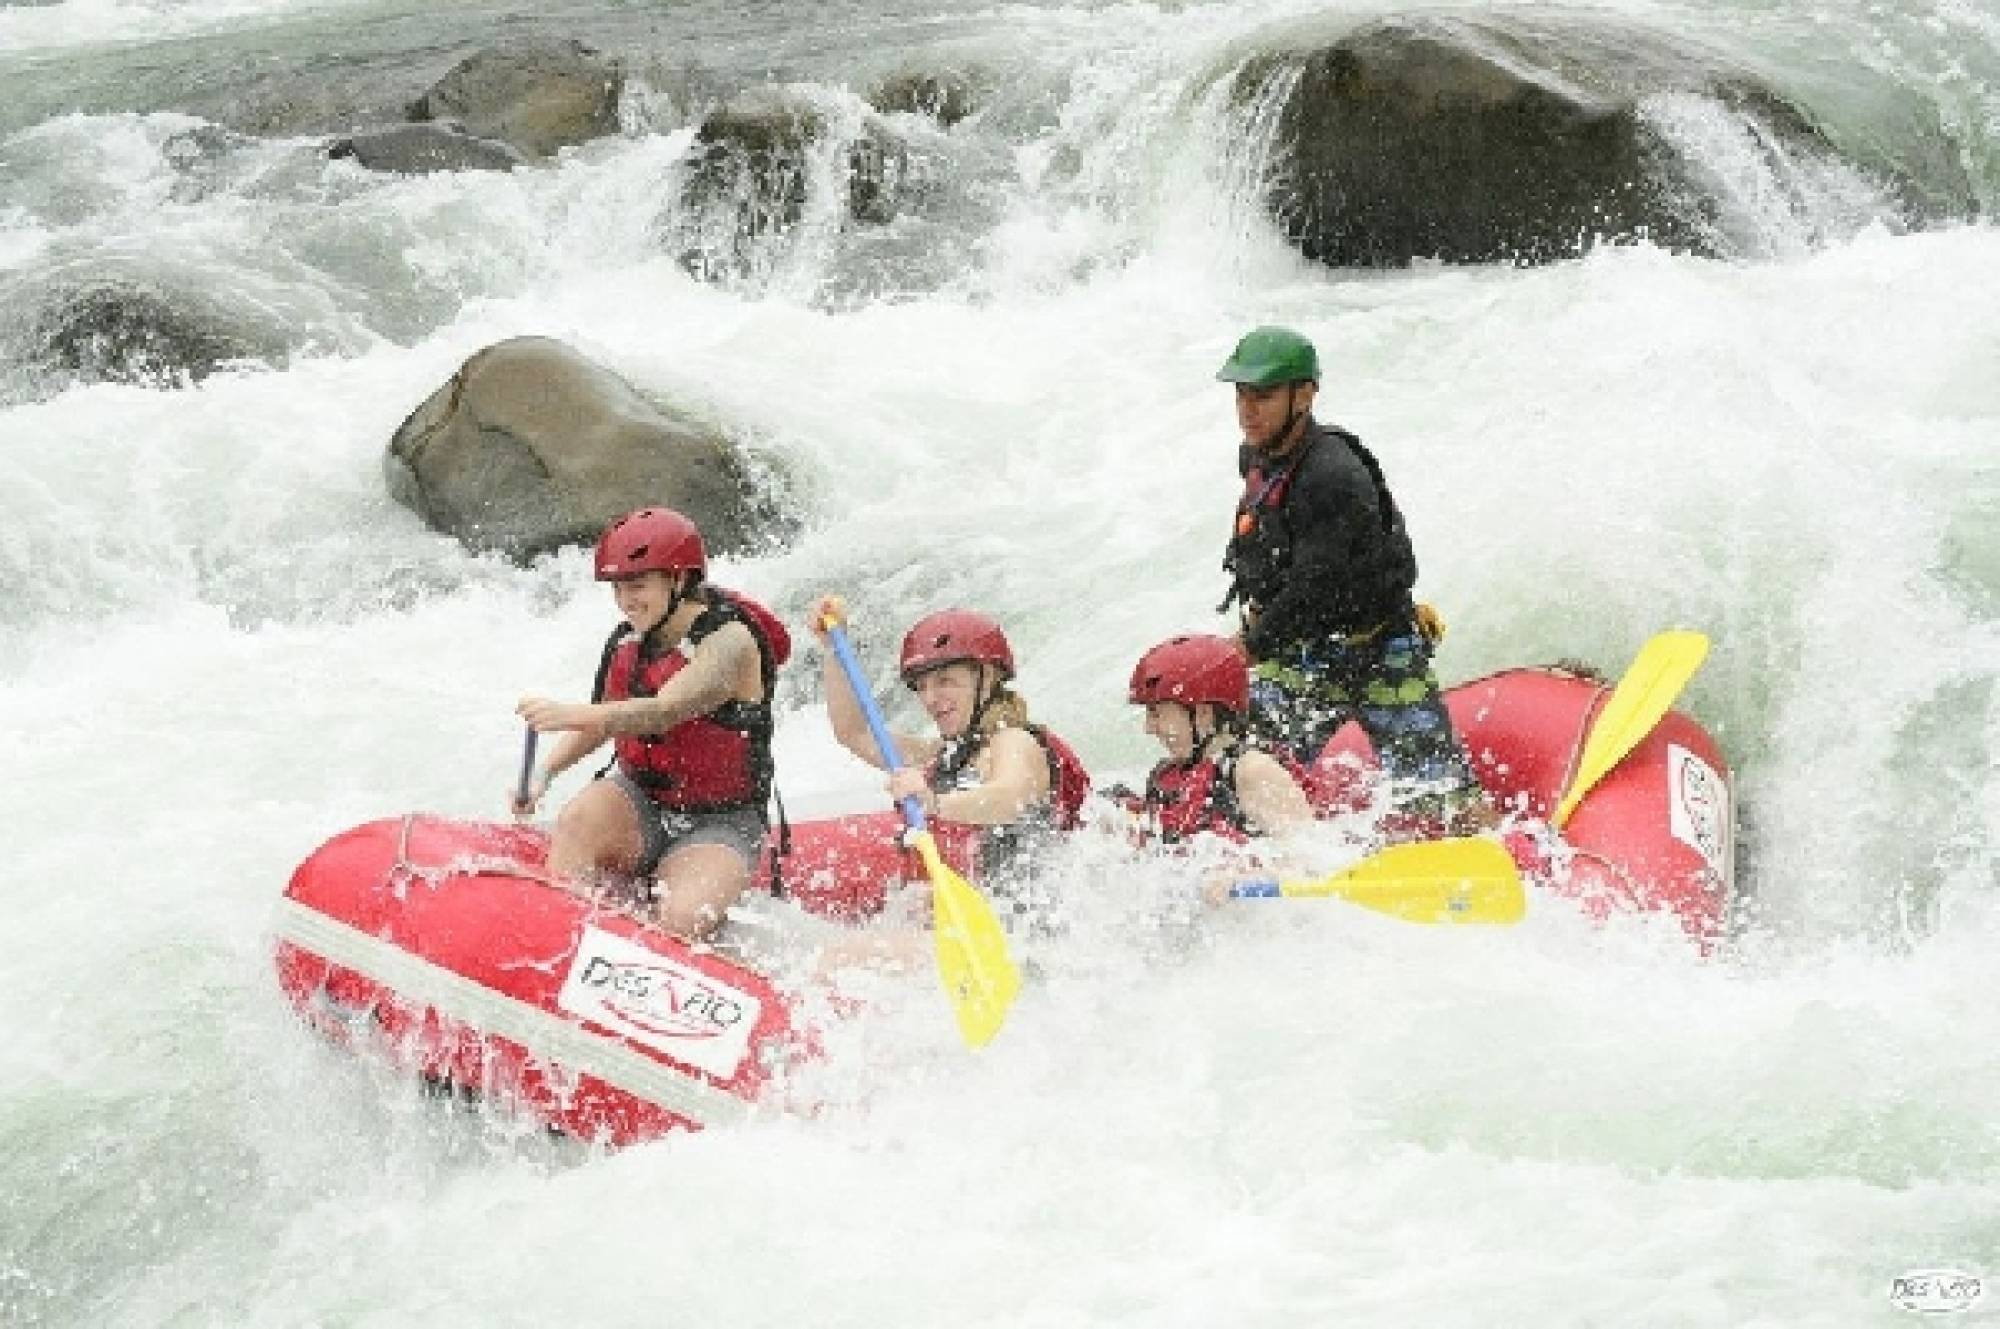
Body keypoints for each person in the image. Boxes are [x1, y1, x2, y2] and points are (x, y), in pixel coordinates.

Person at [1215, 324, 1494, 835]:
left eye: (1264, 395)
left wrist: (1249, 643)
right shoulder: (1259, 456)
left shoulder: (1333, 475)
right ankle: (1274, 854)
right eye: (1240, 395)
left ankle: (1505, 854)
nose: (1247, 410)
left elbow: (1316, 587)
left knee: (1439, 796)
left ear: (1305, 395)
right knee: (1251, 764)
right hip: (1302, 652)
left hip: (1379, 649)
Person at [514, 506, 791, 941]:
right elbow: (603, 723)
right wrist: (542, 774)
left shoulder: (731, 642)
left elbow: (665, 709)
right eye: (618, 588)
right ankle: (553, 943)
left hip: (720, 821)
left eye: (638, 585)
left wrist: (571, 712)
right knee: (576, 823)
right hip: (639, 797)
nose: (626, 601)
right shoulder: (628, 640)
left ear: (679, 580)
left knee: (681, 918)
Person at [810, 600, 1091, 915]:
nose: (930, 698)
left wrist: (936, 803)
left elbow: (1009, 796)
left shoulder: (1014, 741)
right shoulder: (944, 754)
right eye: (922, 686)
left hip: (1030, 926)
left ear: (987, 678)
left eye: (945, 681)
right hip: (978, 917)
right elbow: (855, 733)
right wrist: (834, 650)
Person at [1122, 633, 1315, 846]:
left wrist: (1238, 877)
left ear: (1203, 713)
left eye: (1156, 713)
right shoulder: (1167, 775)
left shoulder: (1253, 772)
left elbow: (1310, 860)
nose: (1148, 728)